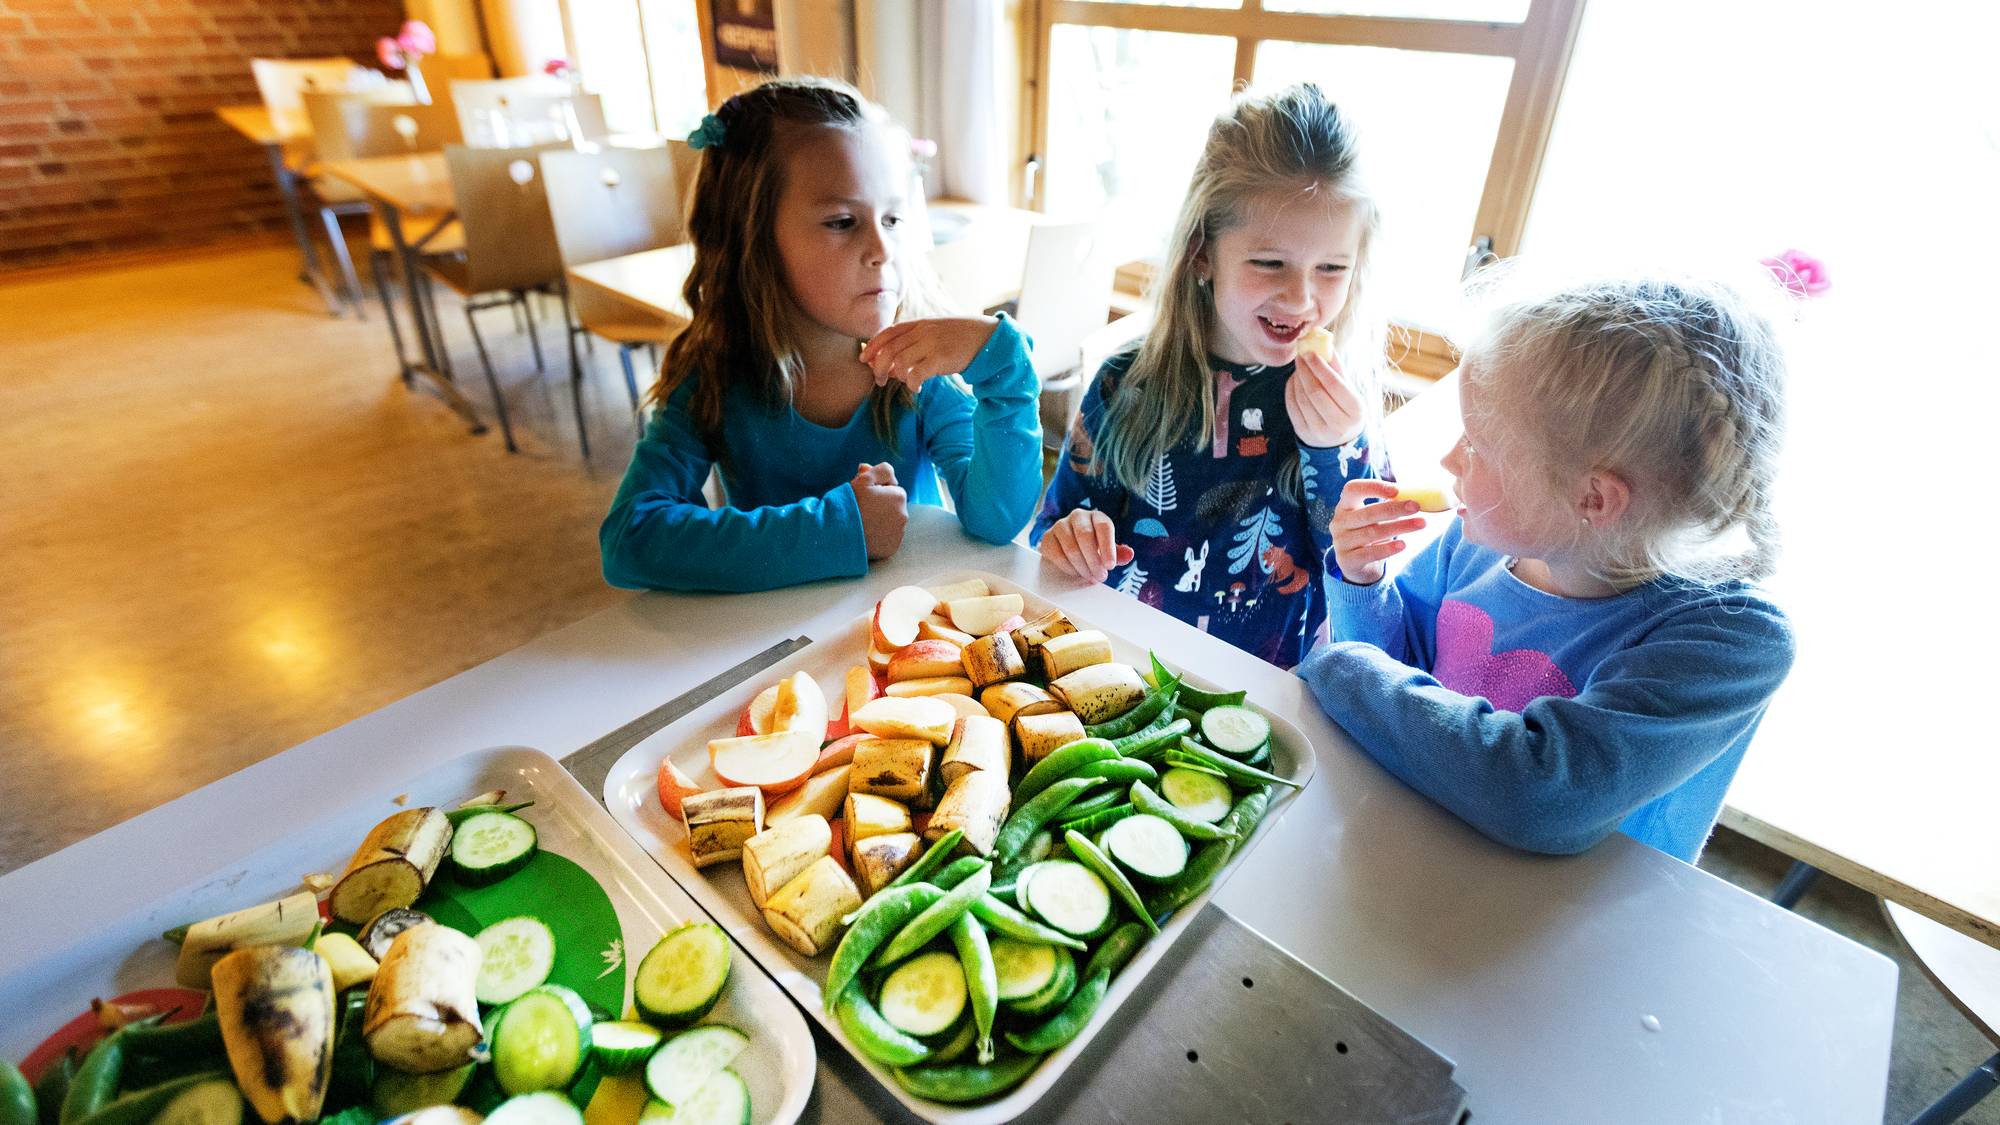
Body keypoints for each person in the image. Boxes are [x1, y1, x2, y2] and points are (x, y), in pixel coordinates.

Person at [1302, 272, 1794, 861]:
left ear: (1594, 500)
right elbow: (1399, 664)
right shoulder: (1477, 540)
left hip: (1572, 931)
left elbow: (1538, 792)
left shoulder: (1733, 641)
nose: (1448, 458)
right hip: (1427, 846)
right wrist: (1363, 583)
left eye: (1478, 445)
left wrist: (1337, 665)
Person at [600, 77, 1042, 593]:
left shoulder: (916, 368)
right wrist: (837, 529)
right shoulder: (714, 377)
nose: (883, 249)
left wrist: (1006, 369)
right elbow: (630, 539)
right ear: (753, 241)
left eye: (893, 218)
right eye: (841, 221)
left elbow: (996, 521)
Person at [1031, 84, 1387, 669]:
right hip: (1125, 682)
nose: (1301, 297)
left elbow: (1356, 584)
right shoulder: (1127, 386)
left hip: (1267, 704)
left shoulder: (1343, 408)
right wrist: (1069, 541)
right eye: (1269, 262)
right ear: (1202, 253)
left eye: (1331, 268)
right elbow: (1048, 533)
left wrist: (1333, 448)